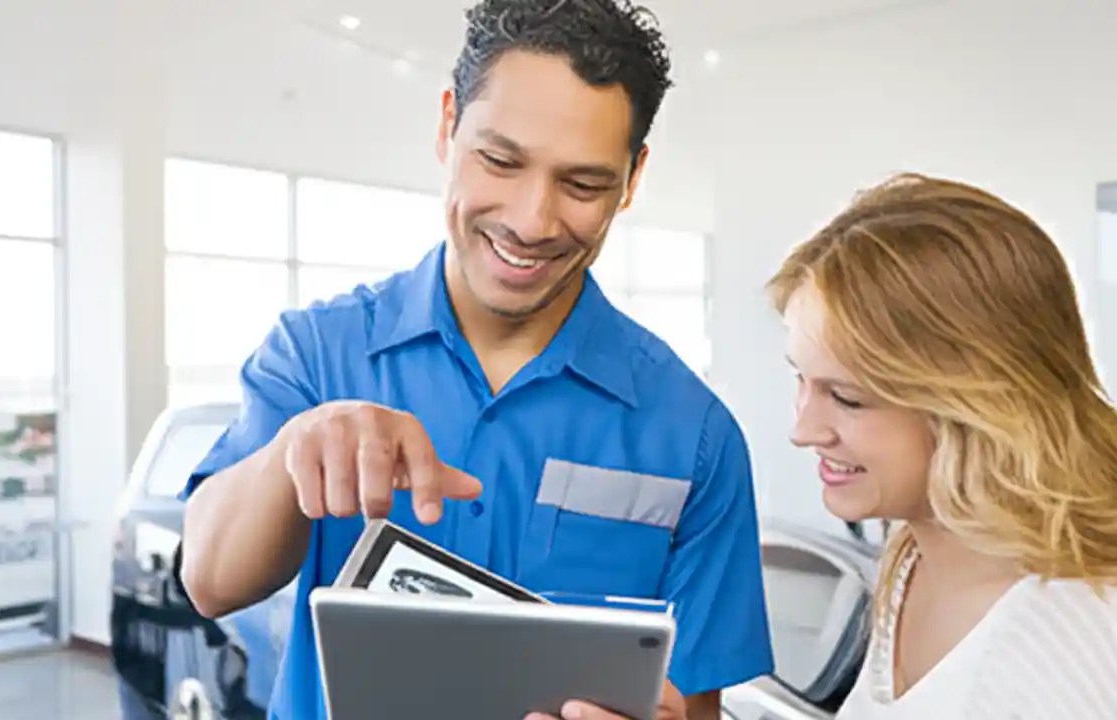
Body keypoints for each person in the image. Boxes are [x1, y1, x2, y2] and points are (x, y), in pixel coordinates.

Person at [176, 1, 774, 718]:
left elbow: (697, 702)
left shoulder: (695, 434)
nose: (530, 221)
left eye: (582, 184)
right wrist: (291, 453)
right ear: (446, 125)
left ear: (633, 177)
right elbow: (209, 581)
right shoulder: (317, 353)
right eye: (500, 160)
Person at [766, 173, 1117, 719]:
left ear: (976, 405)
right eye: (800, 380)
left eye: (846, 398)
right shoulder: (914, 562)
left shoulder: (1086, 634)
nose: (803, 430)